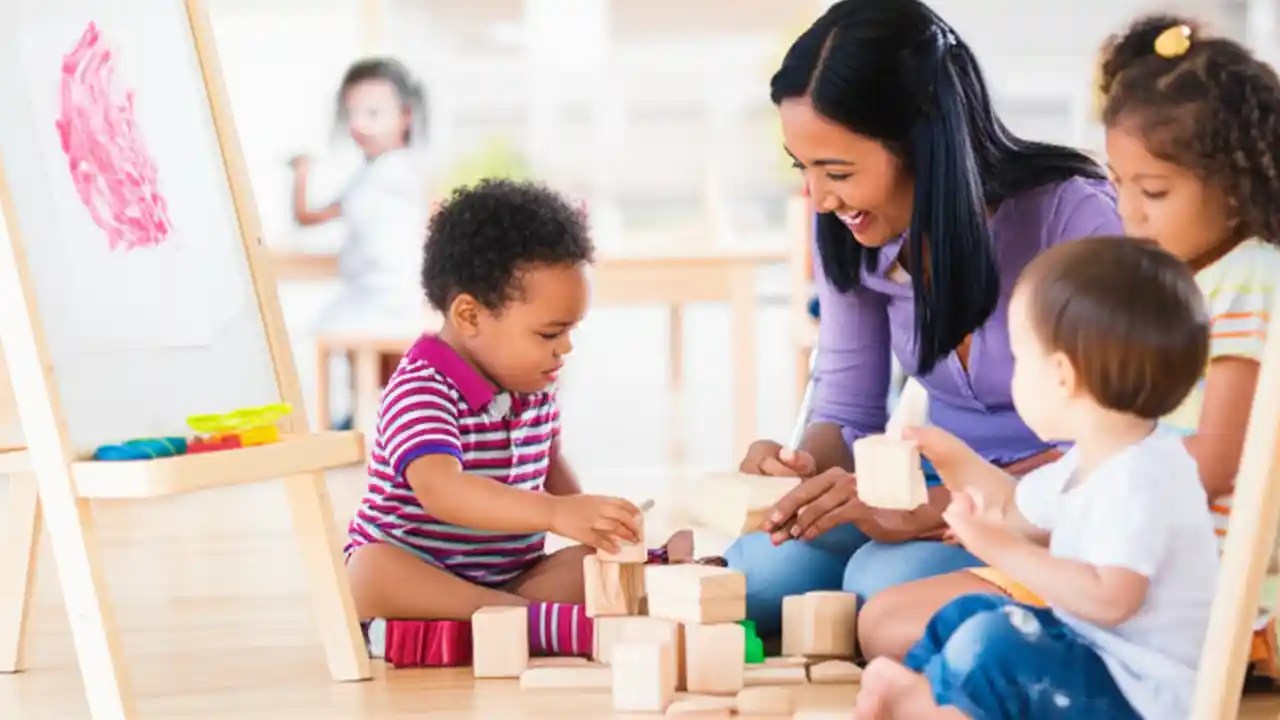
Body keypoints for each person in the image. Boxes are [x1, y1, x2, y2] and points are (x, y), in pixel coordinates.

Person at [858, 15, 1280, 673]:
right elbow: (1105, 442)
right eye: (1119, 184)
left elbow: (1217, 464)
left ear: (1236, 186)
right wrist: (983, 484)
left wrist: (1069, 511)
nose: (1129, 212)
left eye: (1154, 191)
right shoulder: (1164, 277)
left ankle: (1217, 646)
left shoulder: (1248, 276)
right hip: (1103, 545)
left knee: (928, 630)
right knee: (885, 621)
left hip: (1170, 576)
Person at [722, 0, 1122, 635]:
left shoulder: (1071, 219)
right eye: (805, 169)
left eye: (837, 171)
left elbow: (1111, 447)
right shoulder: (852, 230)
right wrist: (801, 476)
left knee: (881, 581)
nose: (819, 199)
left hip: (1050, 497)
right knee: (759, 573)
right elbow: (846, 411)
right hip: (924, 485)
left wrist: (934, 506)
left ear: (921, 144)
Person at [855, 236, 1217, 720]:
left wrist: (1000, 549)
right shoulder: (1092, 460)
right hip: (1091, 656)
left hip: (1140, 696)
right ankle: (923, 695)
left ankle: (924, 706)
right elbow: (1012, 509)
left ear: (1063, 376)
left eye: (1021, 359)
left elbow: (1110, 599)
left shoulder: (1143, 477)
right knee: (968, 615)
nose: (1014, 375)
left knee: (996, 642)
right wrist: (948, 455)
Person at [343, 179, 646, 667]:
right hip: (419, 572)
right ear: (469, 315)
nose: (565, 347)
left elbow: (548, 462)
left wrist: (594, 523)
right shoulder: (422, 389)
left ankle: (491, 623)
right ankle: (531, 625)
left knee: (592, 566)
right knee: (370, 570)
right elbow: (442, 490)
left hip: (507, 578)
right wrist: (554, 514)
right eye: (549, 333)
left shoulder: (535, 383)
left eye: (570, 331)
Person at [290, 58, 431, 426]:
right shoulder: (368, 176)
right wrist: (302, 174)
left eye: (373, 113)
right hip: (365, 295)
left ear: (405, 116)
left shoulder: (400, 170)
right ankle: (361, 419)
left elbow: (432, 217)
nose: (359, 124)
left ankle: (373, 422)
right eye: (351, 114)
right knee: (350, 352)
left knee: (379, 362)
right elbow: (308, 217)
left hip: (394, 296)